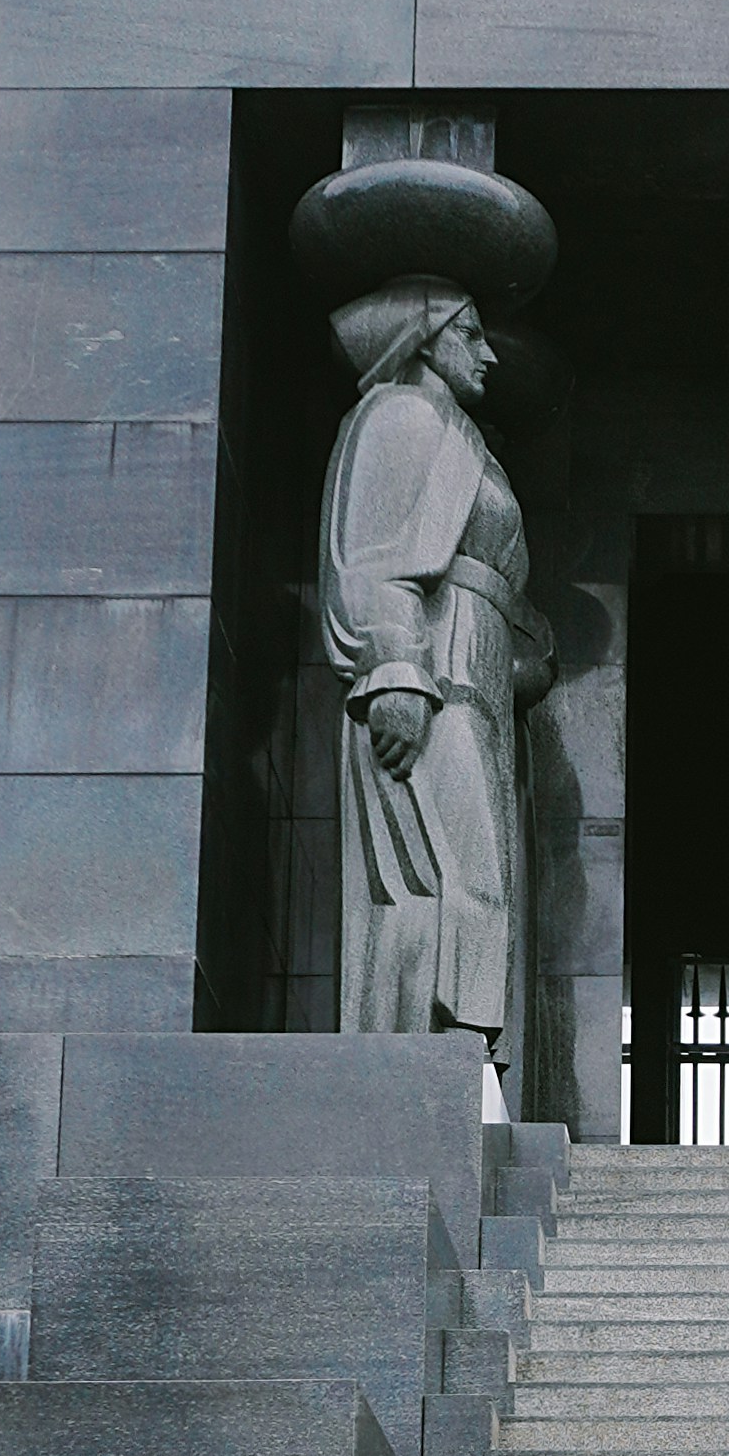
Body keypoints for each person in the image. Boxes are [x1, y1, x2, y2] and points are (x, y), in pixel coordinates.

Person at [316, 278, 551, 1091]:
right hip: (433, 668)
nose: (487, 352)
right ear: (425, 337)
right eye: (470, 333)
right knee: (447, 869)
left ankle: (462, 1066)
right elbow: (373, 556)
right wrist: (395, 670)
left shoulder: (456, 429)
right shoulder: (402, 416)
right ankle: (430, 1069)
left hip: (473, 668)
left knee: (476, 872)